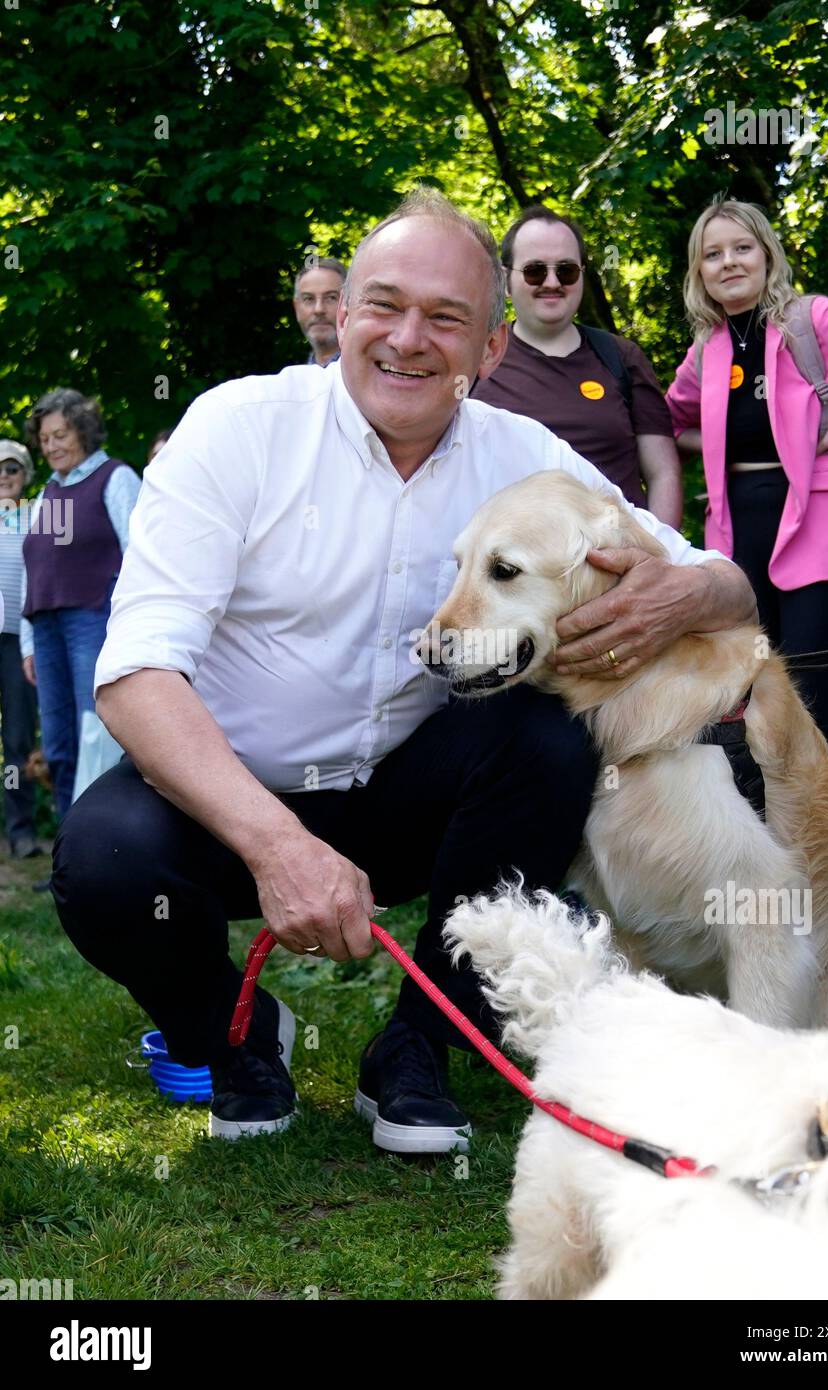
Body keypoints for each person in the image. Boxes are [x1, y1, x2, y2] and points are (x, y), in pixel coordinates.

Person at [52, 190, 754, 1152]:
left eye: (447, 318)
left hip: (412, 799)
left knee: (545, 740)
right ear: (342, 315)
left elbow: (713, 573)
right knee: (104, 862)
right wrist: (277, 846)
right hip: (229, 797)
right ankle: (236, 1031)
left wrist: (691, 596)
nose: (408, 339)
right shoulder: (235, 429)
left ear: (492, 350)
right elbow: (135, 670)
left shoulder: (526, 459)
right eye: (383, 305)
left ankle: (421, 1042)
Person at [666, 198, 828, 787]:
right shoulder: (707, 350)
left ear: (766, 254)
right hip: (736, 533)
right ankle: (782, 846)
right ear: (699, 271)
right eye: (713, 254)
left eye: (742, 248)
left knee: (809, 693)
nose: (729, 262)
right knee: (753, 696)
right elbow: (667, 423)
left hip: (823, 519)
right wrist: (713, 451)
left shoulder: (815, 322)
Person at [472, 206, 683, 527]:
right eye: (534, 271)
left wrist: (660, 560)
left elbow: (662, 473)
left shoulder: (621, 358)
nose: (552, 282)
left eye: (567, 270)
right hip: (511, 565)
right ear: (505, 280)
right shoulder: (476, 358)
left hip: (618, 564)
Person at [21, 390, 141, 828]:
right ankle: (66, 851)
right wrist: (29, 643)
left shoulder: (115, 478)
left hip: (93, 621)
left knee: (98, 737)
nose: (51, 445)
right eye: (45, 438)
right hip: (47, 627)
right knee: (57, 743)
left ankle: (102, 844)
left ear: (83, 432)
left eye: (60, 434)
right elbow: (39, 566)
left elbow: (140, 556)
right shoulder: (48, 494)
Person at [0, 439, 42, 859]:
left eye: (12, 468)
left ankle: (21, 831)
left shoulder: (39, 517)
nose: (4, 476)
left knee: (17, 738)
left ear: (24, 474)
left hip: (18, 640)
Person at [292, 256, 346, 366]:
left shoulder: (373, 376)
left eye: (331, 297)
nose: (319, 309)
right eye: (309, 299)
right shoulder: (290, 381)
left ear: (348, 304)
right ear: (296, 308)